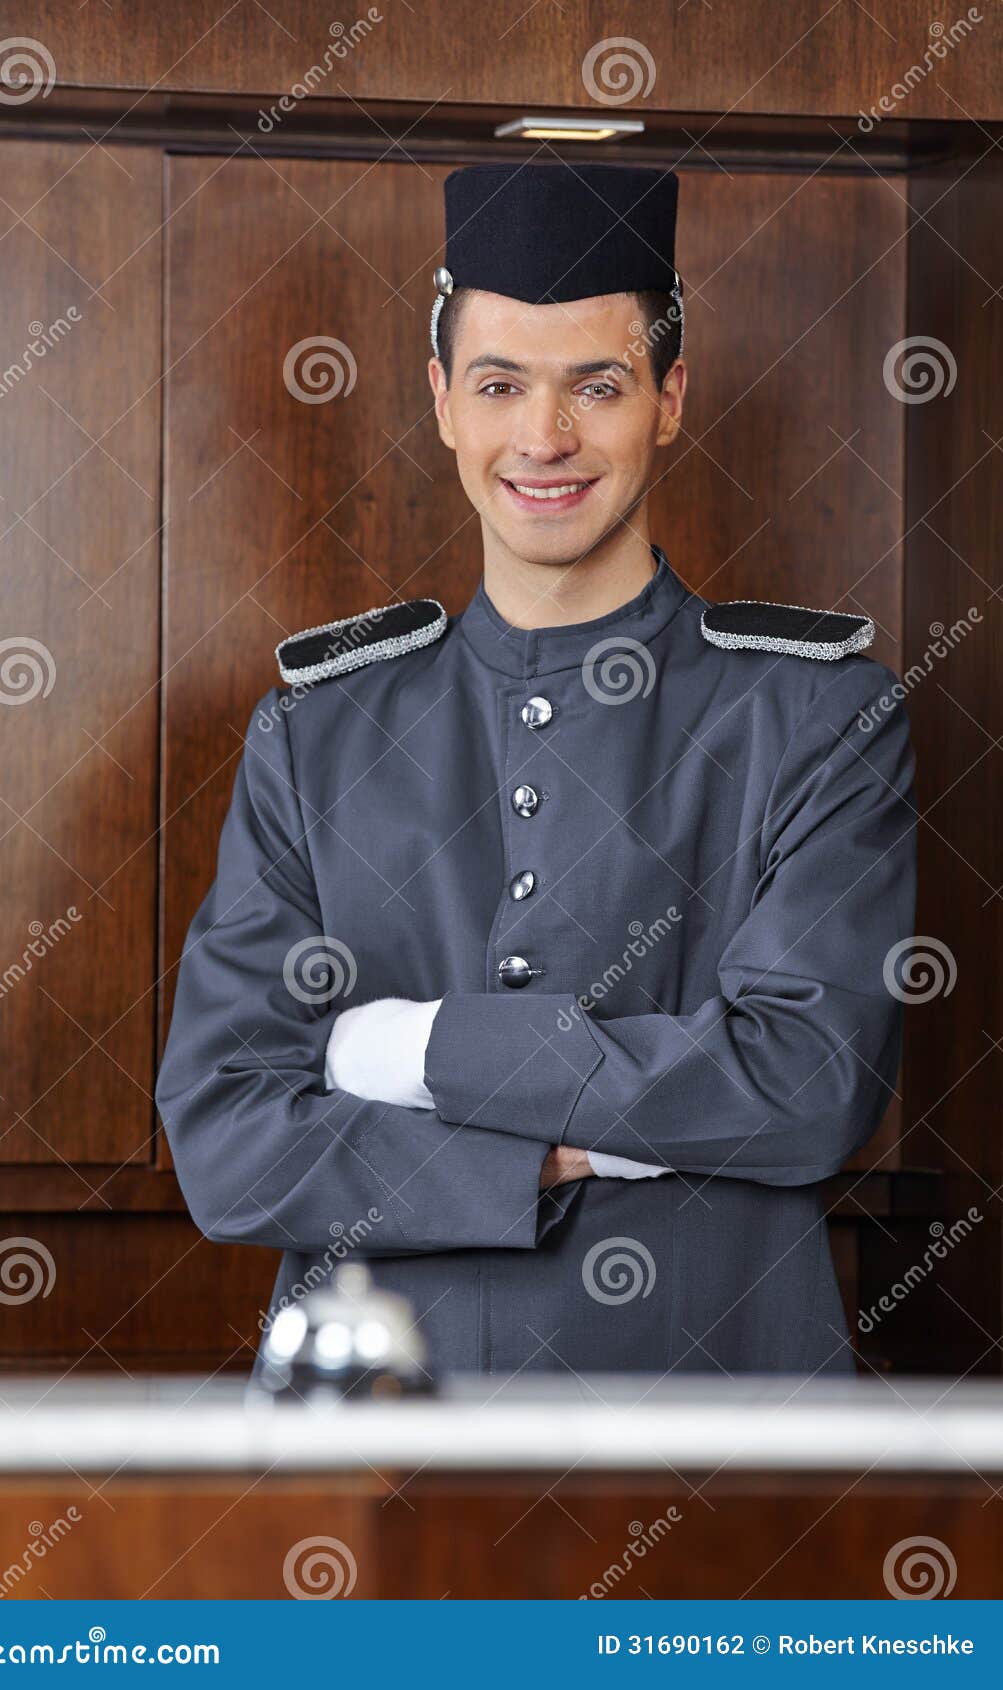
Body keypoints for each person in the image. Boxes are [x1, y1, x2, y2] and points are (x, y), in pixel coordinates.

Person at [155, 162, 917, 1379]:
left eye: (596, 386)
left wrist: (411, 1051)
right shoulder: (315, 733)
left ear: (669, 398)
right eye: (500, 383)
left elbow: (806, 1083)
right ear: (442, 401)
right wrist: (559, 1152)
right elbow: (228, 1132)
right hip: (383, 1426)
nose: (543, 438)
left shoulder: (818, 712)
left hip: (719, 1412)